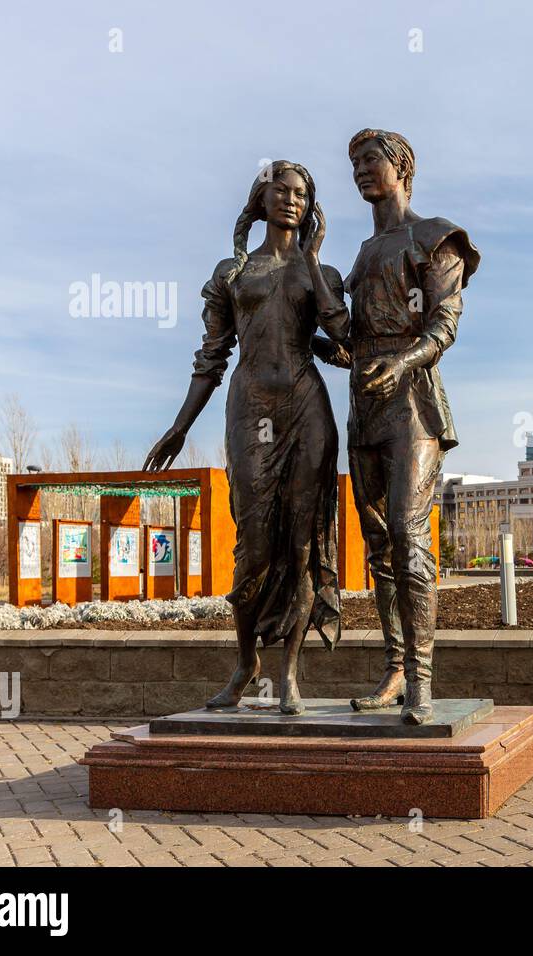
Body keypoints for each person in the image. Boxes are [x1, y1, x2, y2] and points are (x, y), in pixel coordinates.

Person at [145, 161, 347, 716]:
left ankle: (289, 677)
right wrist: (181, 426)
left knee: (303, 547)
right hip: (251, 410)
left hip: (307, 410)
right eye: (280, 190)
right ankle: (245, 663)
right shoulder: (233, 272)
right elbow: (211, 358)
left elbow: (344, 340)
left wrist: (312, 260)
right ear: (260, 199)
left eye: (302, 193)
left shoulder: (319, 270)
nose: (291, 199)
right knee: (254, 548)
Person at [312, 130, 479, 725]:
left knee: (410, 540)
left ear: (402, 167)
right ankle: (394, 668)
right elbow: (353, 346)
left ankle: (423, 682)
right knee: (379, 547)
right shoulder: (360, 254)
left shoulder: (435, 236)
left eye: (370, 160)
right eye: (352, 162)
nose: (359, 170)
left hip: (413, 405)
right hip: (366, 411)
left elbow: (443, 327)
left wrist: (401, 360)